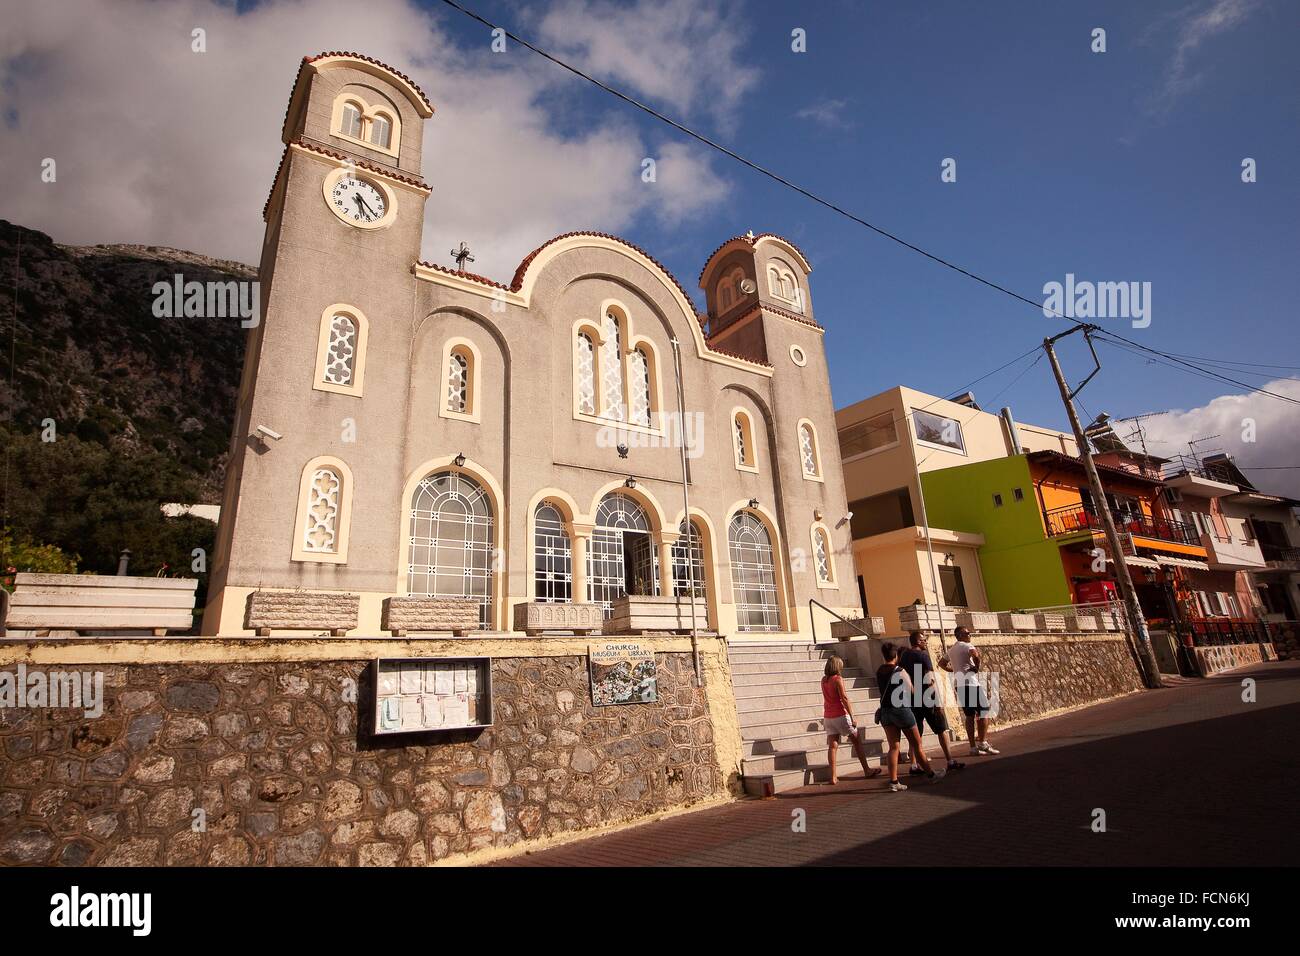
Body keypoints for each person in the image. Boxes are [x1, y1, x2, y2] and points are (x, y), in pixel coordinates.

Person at [877, 642, 944, 792]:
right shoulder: (900, 671)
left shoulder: (880, 671)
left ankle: (893, 781)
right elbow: (911, 690)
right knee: (917, 744)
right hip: (901, 709)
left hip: (886, 711)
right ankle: (931, 774)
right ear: (896, 656)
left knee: (893, 747)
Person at [899, 631, 966, 774]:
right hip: (927, 697)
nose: (926, 642)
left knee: (916, 733)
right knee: (941, 729)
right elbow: (929, 679)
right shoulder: (923, 656)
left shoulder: (904, 656)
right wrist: (938, 702)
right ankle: (950, 760)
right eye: (923, 639)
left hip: (912, 697)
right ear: (917, 641)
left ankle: (914, 765)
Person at [821, 656, 882, 784]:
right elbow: (844, 698)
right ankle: (867, 770)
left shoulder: (824, 680)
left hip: (828, 717)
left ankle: (833, 776)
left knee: (832, 746)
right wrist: (852, 717)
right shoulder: (838, 679)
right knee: (857, 741)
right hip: (840, 715)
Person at [940, 626, 1000, 756]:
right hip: (971, 683)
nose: (969, 635)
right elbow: (976, 655)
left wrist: (954, 671)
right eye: (967, 633)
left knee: (969, 715)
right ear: (960, 635)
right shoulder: (967, 646)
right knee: (984, 711)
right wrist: (976, 667)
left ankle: (973, 747)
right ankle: (983, 743)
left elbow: (941, 663)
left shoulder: (951, 650)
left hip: (959, 684)